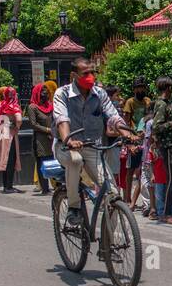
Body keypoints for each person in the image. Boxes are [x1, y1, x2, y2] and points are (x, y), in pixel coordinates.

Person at [52, 57, 134, 231]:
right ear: (74, 75)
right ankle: (74, 208)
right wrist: (69, 140)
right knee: (75, 160)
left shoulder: (100, 93)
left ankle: (111, 244)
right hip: (65, 146)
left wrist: (128, 135)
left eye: (92, 72)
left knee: (112, 193)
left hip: (92, 147)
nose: (91, 76)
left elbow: (113, 117)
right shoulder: (63, 93)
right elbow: (62, 119)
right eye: (85, 73)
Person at [149, 76, 172, 224]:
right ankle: (164, 213)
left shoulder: (167, 104)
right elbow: (156, 126)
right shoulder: (161, 104)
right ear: (168, 88)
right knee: (171, 179)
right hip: (168, 146)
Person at [121, 77, 151, 209]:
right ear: (134, 89)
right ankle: (127, 198)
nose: (141, 89)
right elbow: (126, 121)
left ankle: (142, 200)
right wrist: (129, 140)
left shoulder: (148, 101)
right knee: (131, 170)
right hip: (133, 138)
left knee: (142, 171)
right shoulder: (130, 102)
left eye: (143, 87)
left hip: (145, 138)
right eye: (139, 87)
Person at [0, 85, 24, 194]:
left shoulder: (0, 105)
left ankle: (5, 185)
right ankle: (9, 186)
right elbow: (19, 119)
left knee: (3, 157)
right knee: (10, 159)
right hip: (10, 133)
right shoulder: (14, 106)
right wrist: (16, 126)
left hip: (1, 132)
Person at [28, 81, 56, 195]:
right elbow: (33, 124)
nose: (45, 93)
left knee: (53, 162)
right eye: (42, 91)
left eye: (46, 91)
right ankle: (44, 188)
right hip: (40, 139)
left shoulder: (50, 106)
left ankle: (55, 186)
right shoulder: (32, 107)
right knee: (42, 163)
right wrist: (47, 130)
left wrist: (54, 131)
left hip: (52, 138)